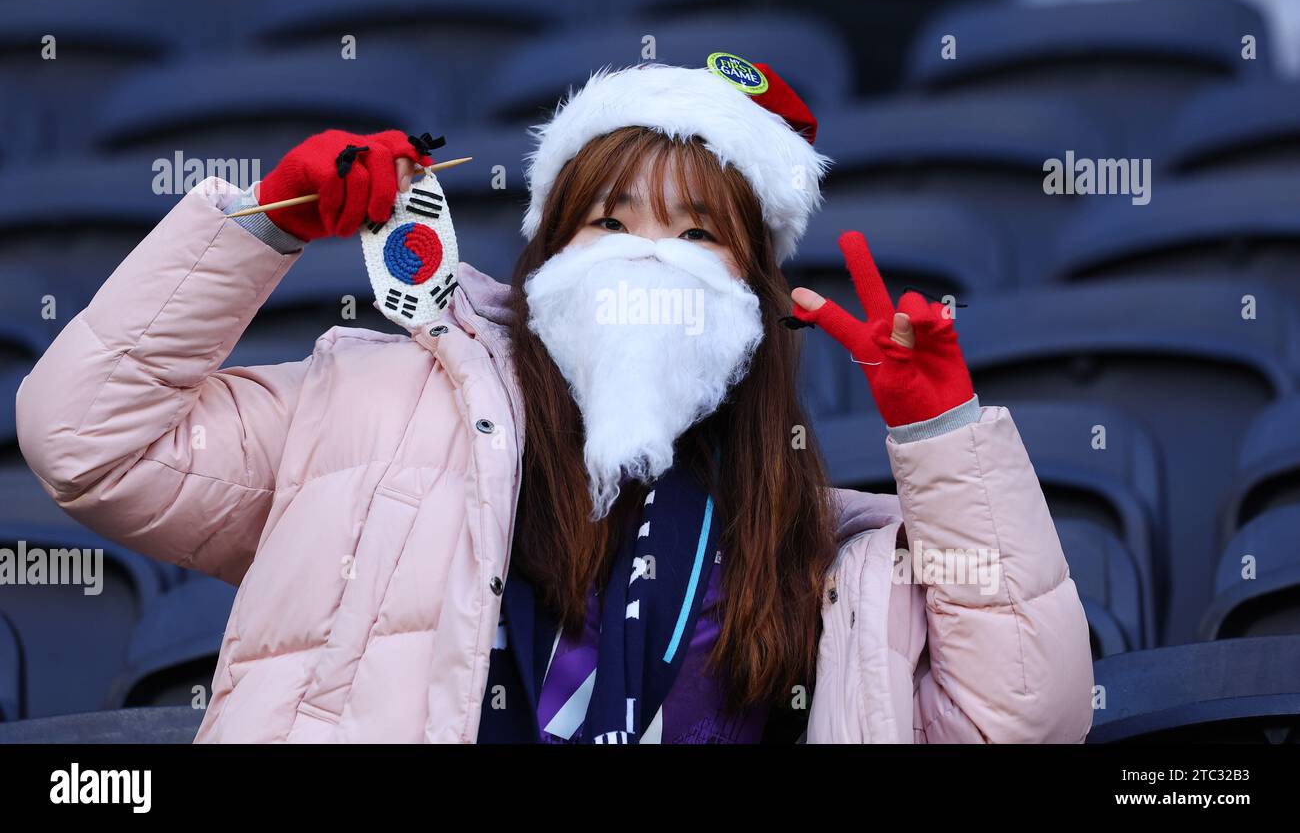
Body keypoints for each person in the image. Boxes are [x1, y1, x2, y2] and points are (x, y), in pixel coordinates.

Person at [15, 55, 1094, 743]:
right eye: (609, 223)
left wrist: (939, 431)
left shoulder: (827, 551)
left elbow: (1027, 718)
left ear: (756, 299)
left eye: (698, 234)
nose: (646, 263)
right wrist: (264, 226)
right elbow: (87, 441)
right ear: (542, 259)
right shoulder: (372, 411)